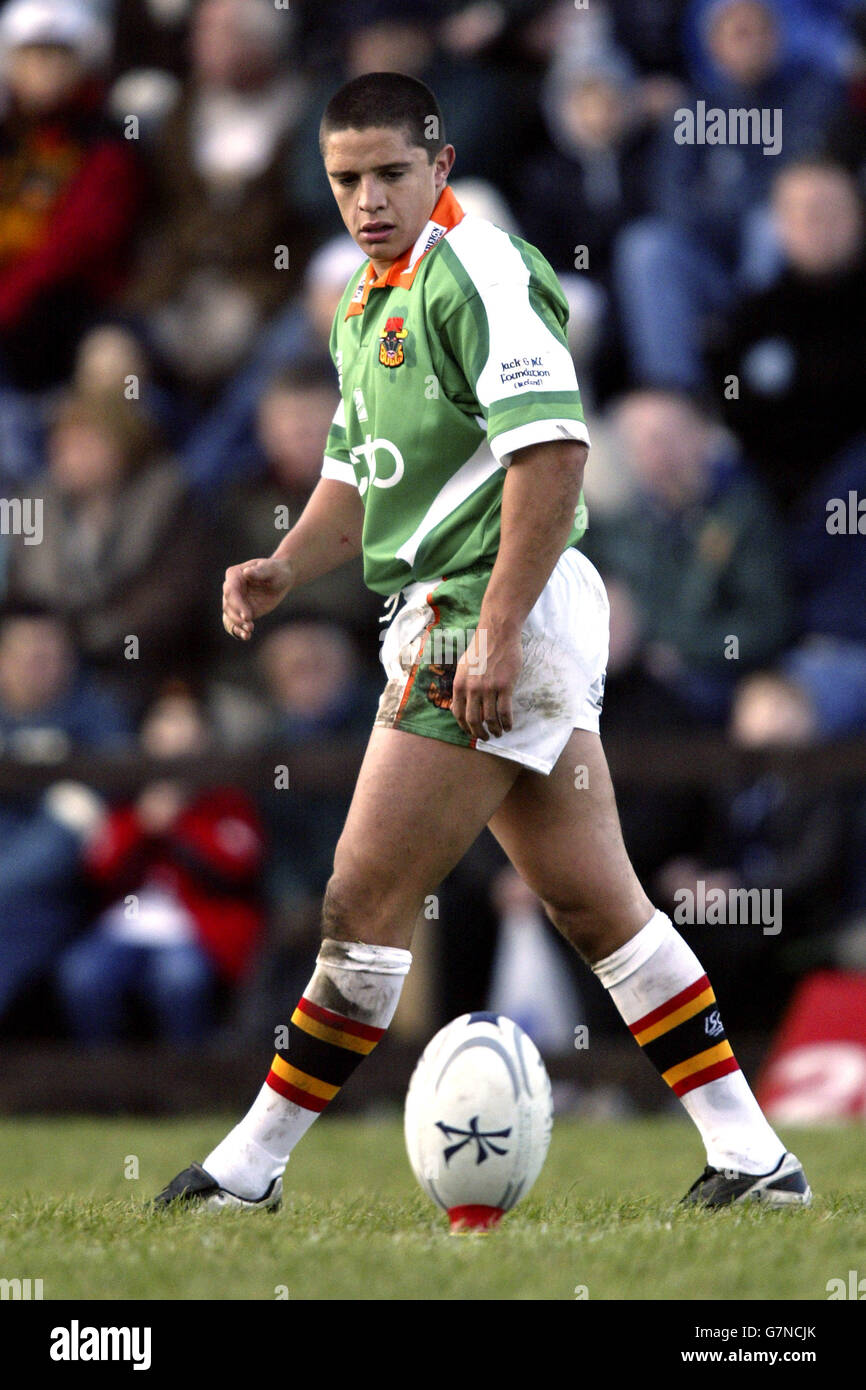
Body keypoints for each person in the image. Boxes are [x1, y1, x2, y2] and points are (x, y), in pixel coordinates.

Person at [156, 71, 810, 1212]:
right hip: (465, 613)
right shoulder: (367, 298)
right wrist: (284, 563)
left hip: (487, 611)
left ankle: (244, 1173)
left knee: (359, 902)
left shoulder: (483, 267)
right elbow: (353, 481)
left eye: (387, 174)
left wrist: (494, 632)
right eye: (344, 179)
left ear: (439, 165)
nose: (365, 199)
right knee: (597, 905)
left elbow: (552, 454)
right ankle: (757, 1159)